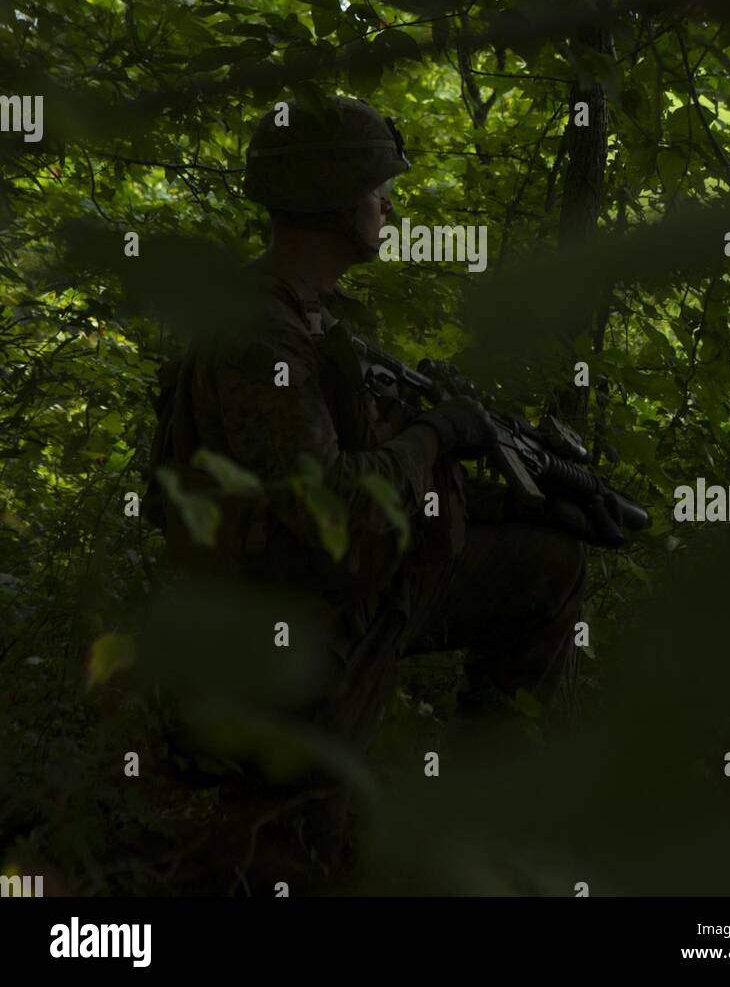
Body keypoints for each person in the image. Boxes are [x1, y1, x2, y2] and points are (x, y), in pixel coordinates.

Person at [147, 95, 597, 895]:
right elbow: (333, 512)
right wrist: (432, 439)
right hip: (293, 616)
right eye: (376, 186)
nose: (389, 202)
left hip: (332, 591)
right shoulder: (263, 335)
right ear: (330, 194)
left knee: (550, 562)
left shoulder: (308, 318)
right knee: (293, 856)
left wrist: (462, 453)